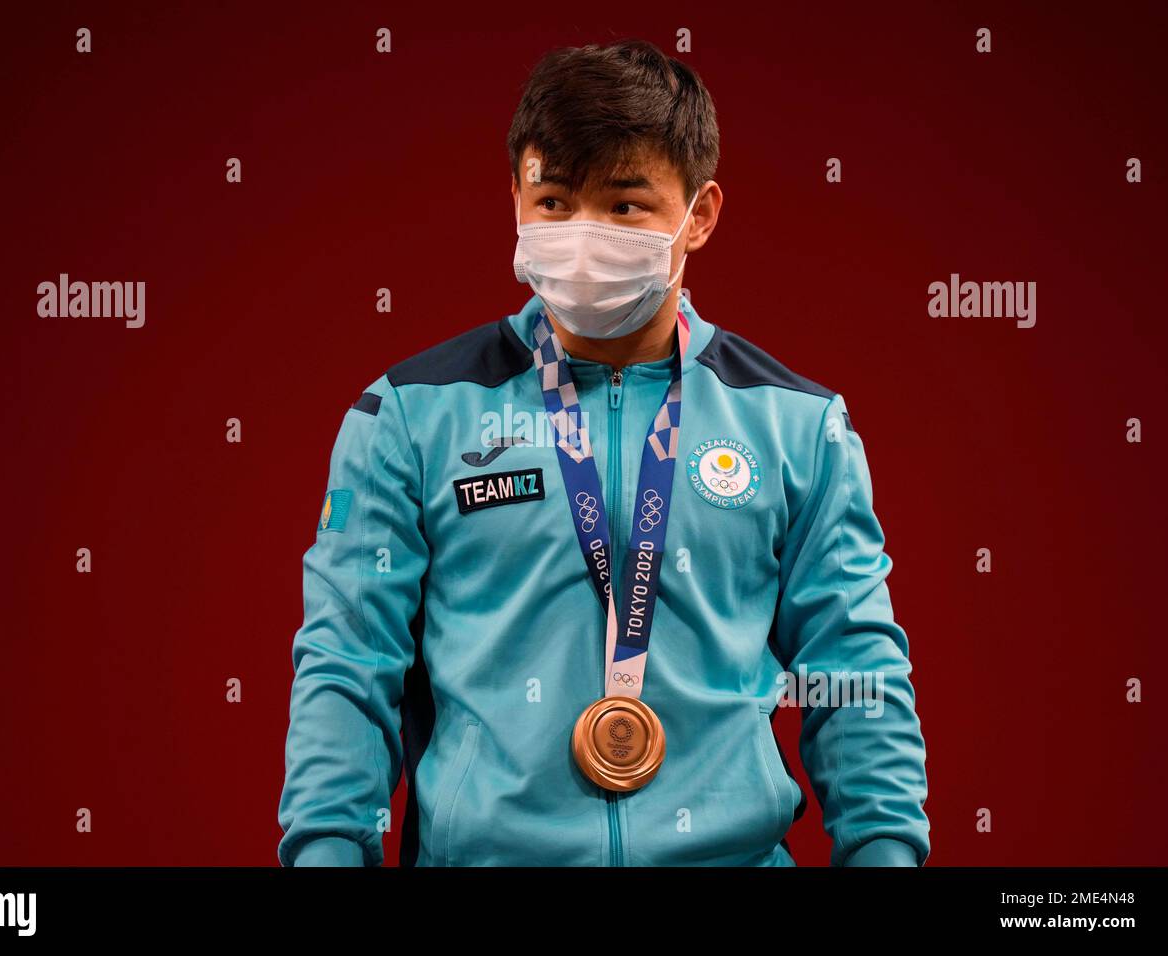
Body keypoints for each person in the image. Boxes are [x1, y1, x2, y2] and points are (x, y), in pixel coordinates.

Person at [278, 38, 930, 867]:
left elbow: (854, 669)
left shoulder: (798, 425)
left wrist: (885, 853)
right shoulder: (409, 417)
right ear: (515, 195)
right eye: (553, 202)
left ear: (699, 214)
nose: (582, 237)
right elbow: (348, 668)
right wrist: (326, 852)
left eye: (625, 207)